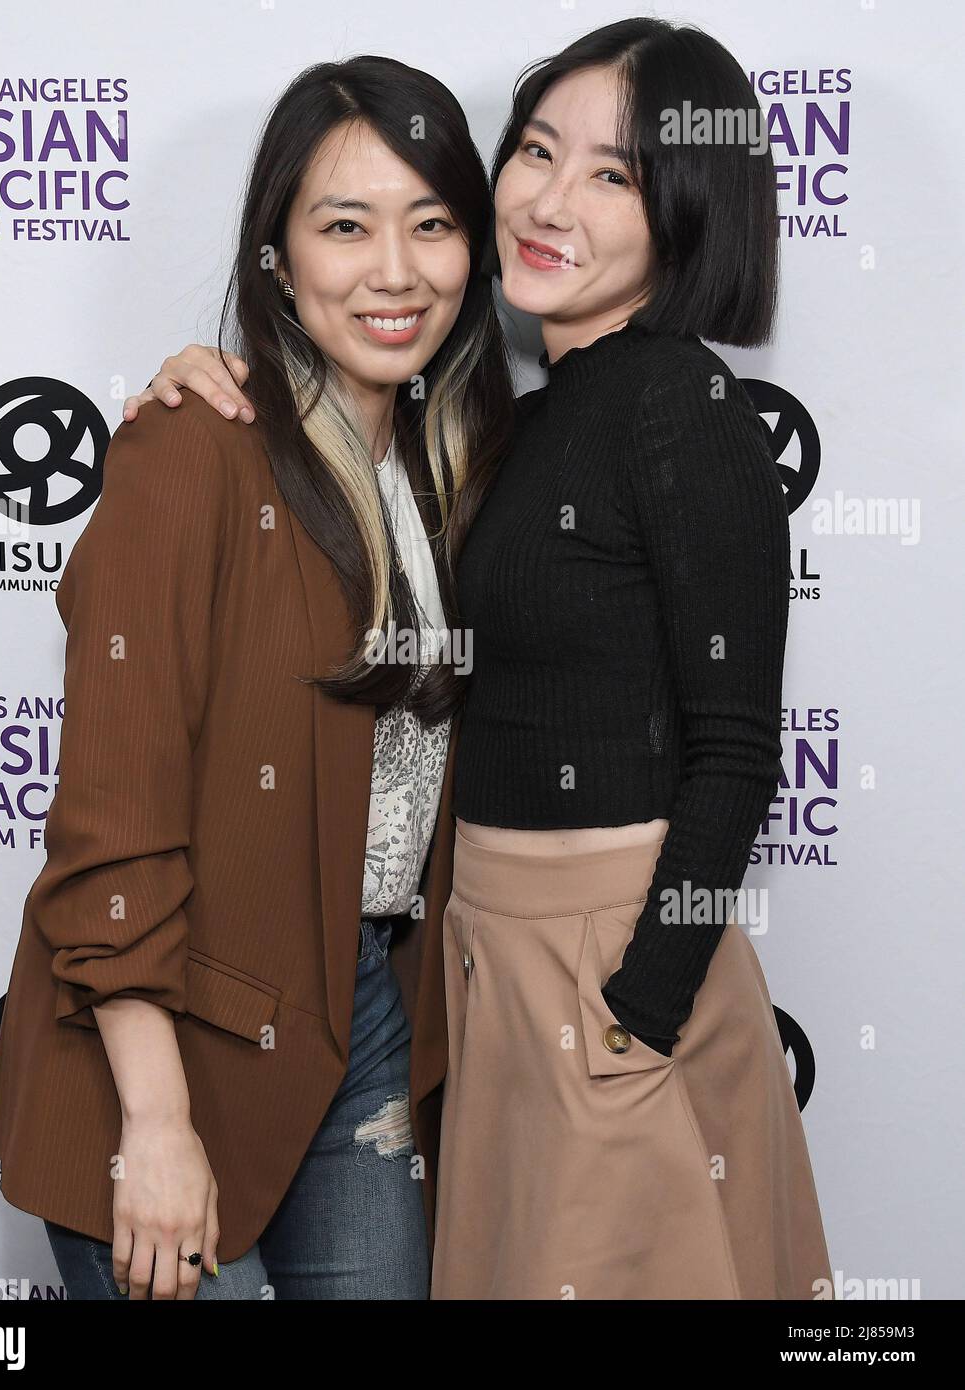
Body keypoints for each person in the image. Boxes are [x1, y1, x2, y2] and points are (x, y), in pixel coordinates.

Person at [124, 18, 833, 1300]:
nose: (549, 200)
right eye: (537, 150)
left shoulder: (679, 401)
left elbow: (734, 745)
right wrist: (219, 376)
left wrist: (640, 1007)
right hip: (474, 971)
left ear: (684, 208)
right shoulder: (511, 427)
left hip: (607, 969)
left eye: (611, 175)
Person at [0, 54, 515, 1300]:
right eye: (344, 225)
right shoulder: (192, 450)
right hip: (161, 1038)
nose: (395, 269)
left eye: (431, 224)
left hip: (364, 1014)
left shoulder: (458, 470)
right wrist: (154, 1124)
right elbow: (111, 818)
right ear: (276, 256)